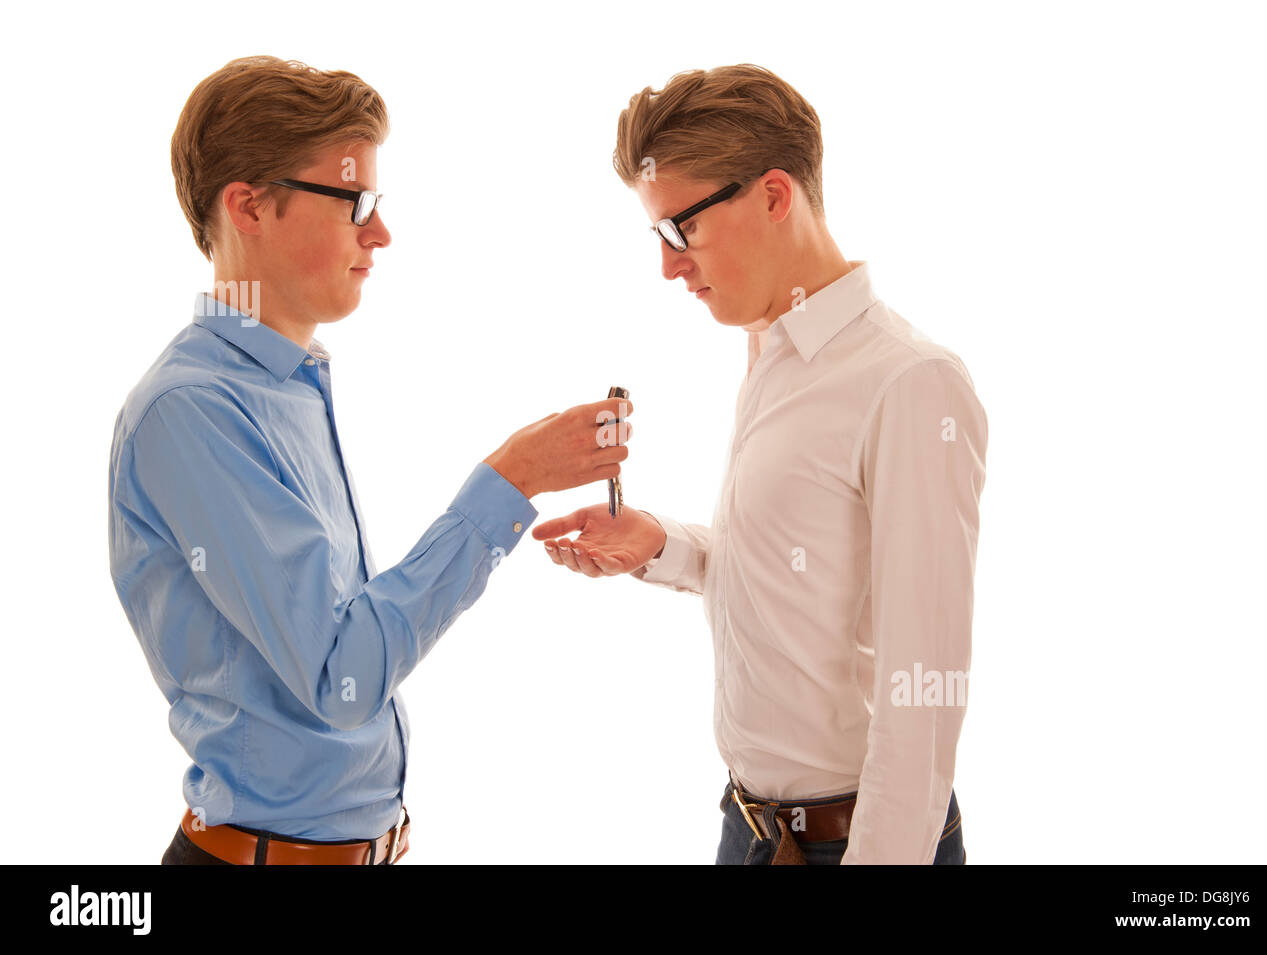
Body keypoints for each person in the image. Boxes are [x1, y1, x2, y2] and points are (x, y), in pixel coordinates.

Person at [108, 56, 632, 865]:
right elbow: (342, 676)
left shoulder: (291, 382)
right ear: (247, 205)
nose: (379, 231)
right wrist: (509, 480)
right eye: (355, 201)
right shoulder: (194, 411)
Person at [532, 64, 987, 865]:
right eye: (659, 236)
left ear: (774, 195)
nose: (670, 266)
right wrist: (663, 545)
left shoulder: (910, 381)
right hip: (749, 830)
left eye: (683, 229)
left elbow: (925, 686)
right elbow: (803, 573)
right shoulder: (771, 351)